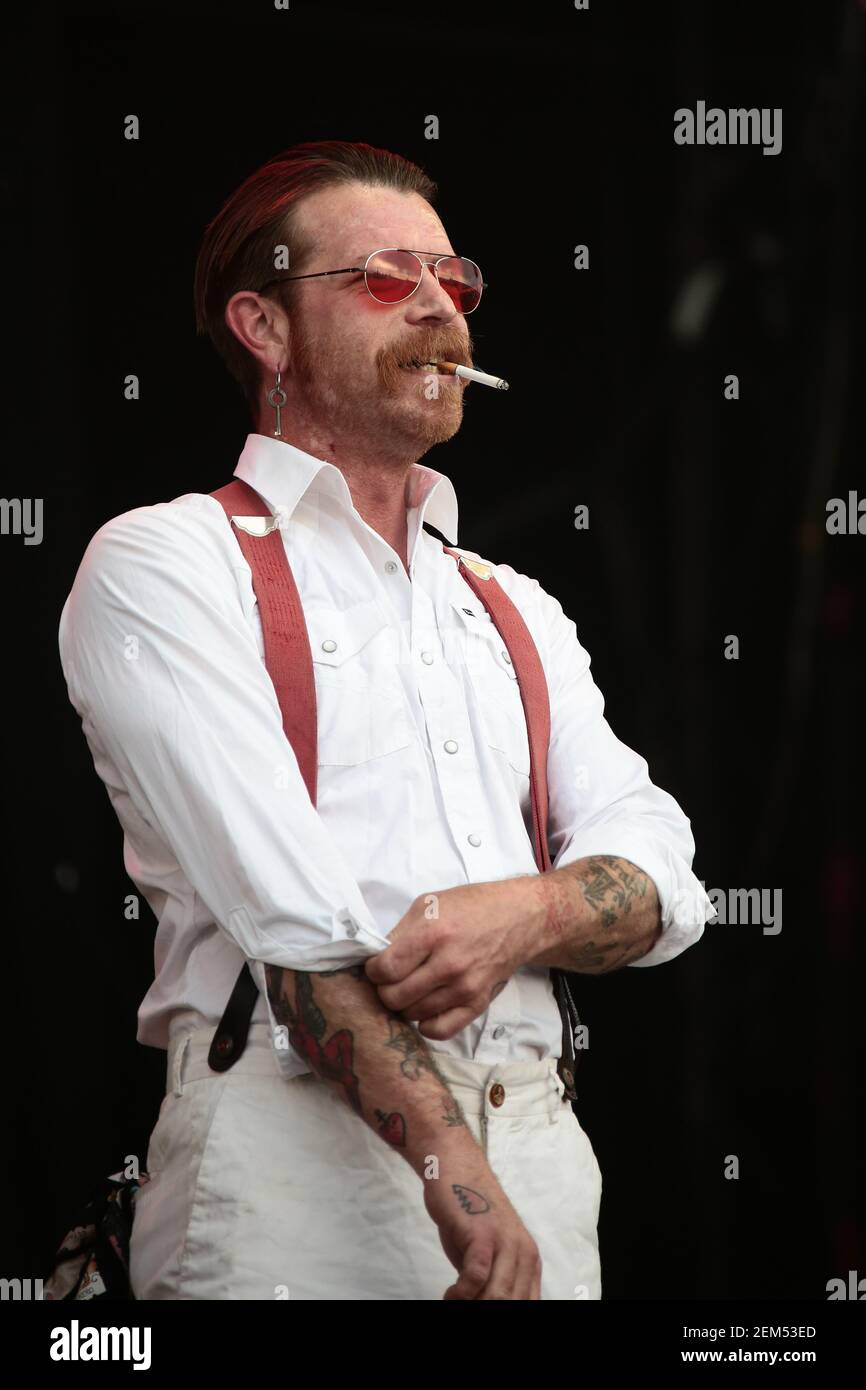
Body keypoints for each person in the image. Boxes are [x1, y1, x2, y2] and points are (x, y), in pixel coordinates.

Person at [58, 139, 713, 1301]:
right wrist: (451, 1165)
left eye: (452, 282)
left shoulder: (512, 604)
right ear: (263, 327)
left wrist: (525, 911)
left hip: (545, 1161)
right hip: (289, 1168)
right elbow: (294, 921)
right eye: (382, 277)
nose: (436, 306)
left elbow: (664, 876)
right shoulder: (168, 560)